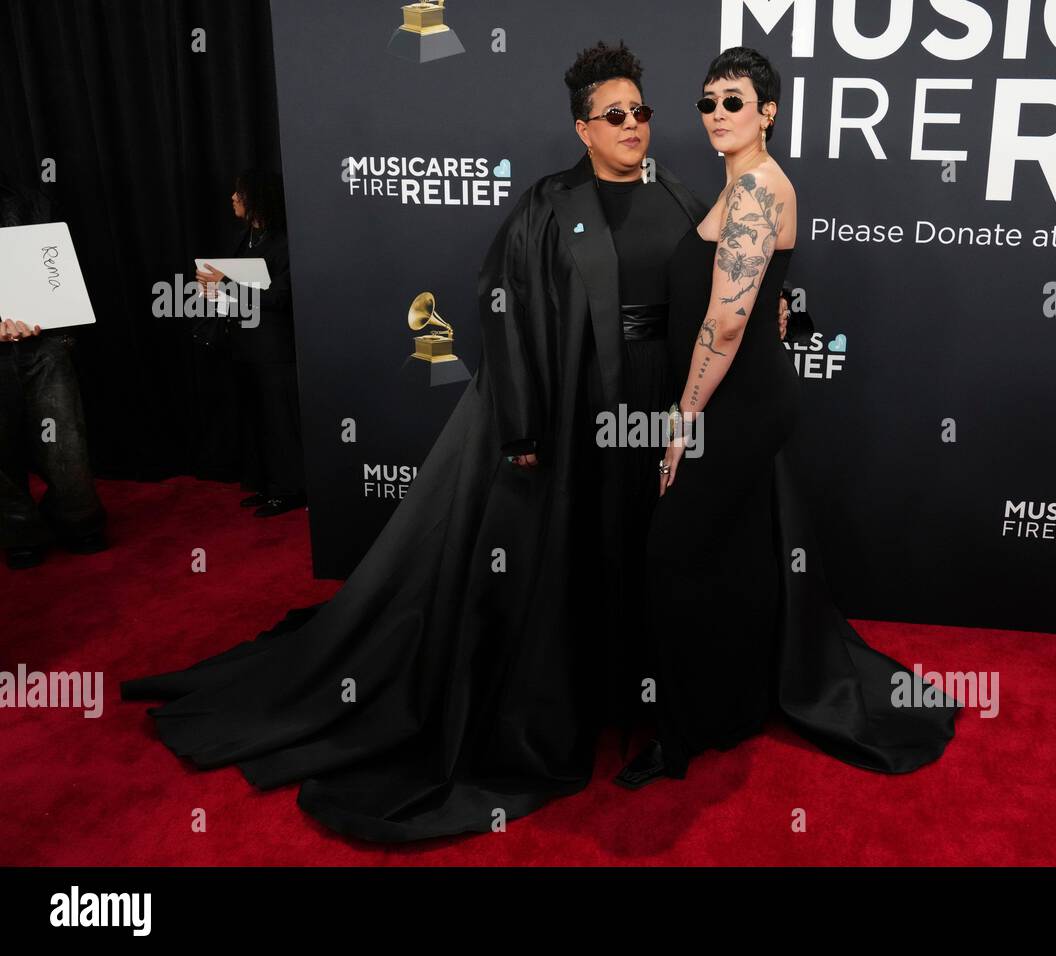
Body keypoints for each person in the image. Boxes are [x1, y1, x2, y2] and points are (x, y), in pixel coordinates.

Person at [120, 41, 794, 842]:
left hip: (661, 407)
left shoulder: (684, 194)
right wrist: (523, 425)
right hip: (582, 415)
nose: (634, 126)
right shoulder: (549, 206)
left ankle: (642, 695)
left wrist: (759, 339)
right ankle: (582, 699)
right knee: (582, 557)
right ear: (582, 128)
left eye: (642, 111)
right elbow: (503, 312)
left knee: (650, 554)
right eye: (615, 115)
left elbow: (731, 297)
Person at [614, 47, 961, 788]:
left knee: (670, 556)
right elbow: (762, 298)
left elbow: (729, 323)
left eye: (733, 102)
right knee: (732, 554)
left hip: (734, 405)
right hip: (738, 398)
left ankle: (681, 735)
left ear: (767, 111)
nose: (716, 115)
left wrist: (682, 420)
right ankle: (729, 709)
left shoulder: (756, 194)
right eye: (707, 102)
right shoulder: (740, 186)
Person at [0, 175, 108, 569]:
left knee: (64, 438)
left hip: (44, 341)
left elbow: (54, 270)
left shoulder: (29, 198)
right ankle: (19, 532)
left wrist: (40, 314)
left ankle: (79, 522)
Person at [196, 169, 306, 517]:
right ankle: (266, 484)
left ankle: (290, 490)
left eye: (239, 193)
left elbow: (281, 296)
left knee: (279, 423)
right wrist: (212, 289)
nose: (232, 198)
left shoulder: (287, 241)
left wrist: (225, 283)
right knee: (256, 421)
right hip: (244, 346)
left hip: (275, 351)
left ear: (258, 198)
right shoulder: (244, 238)